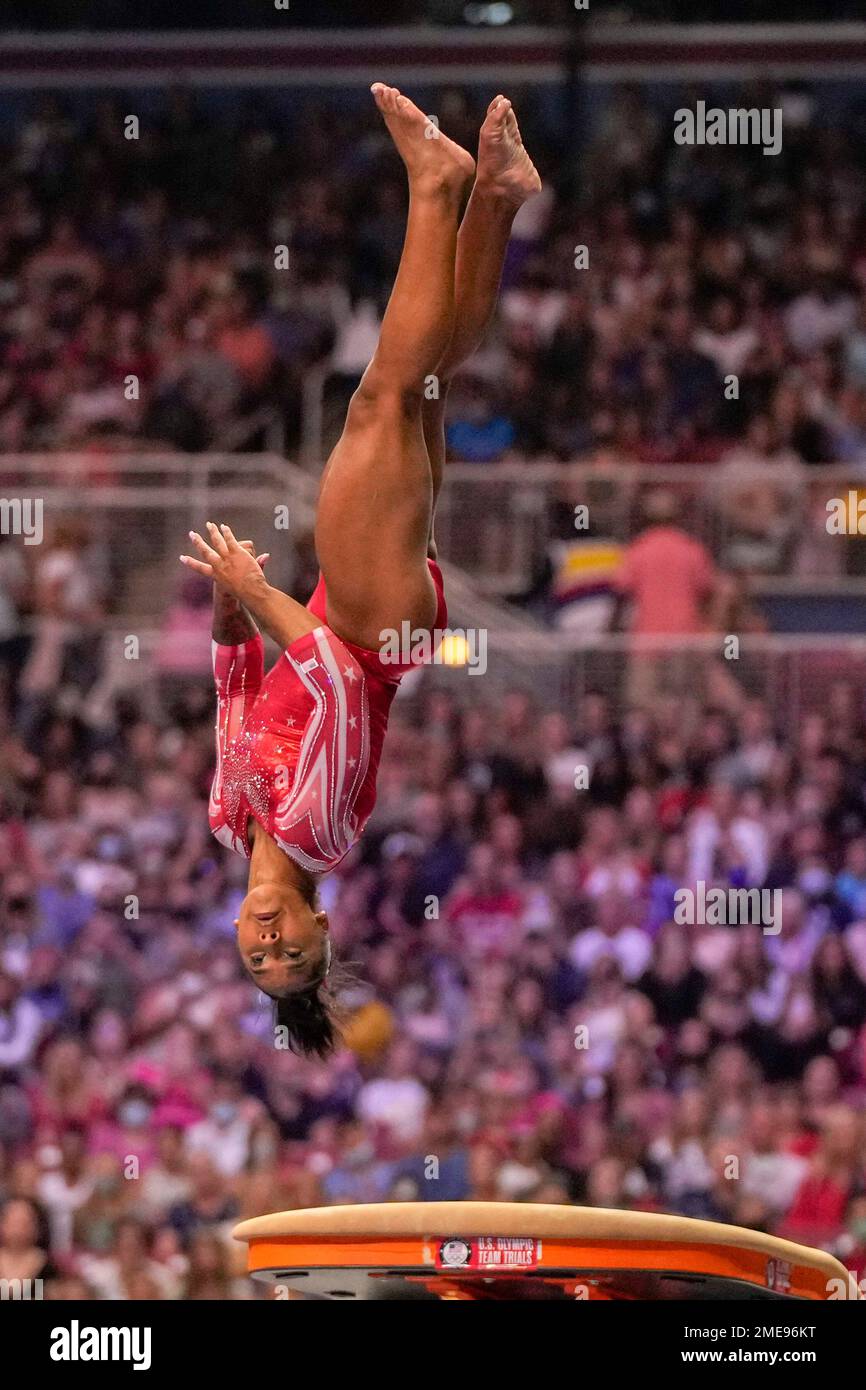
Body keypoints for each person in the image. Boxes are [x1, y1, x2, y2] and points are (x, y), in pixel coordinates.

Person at [179, 85, 541, 1057]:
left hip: (356, 607)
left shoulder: (231, 817)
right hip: (368, 627)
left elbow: (232, 683)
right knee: (378, 397)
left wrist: (227, 608)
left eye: (257, 959)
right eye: (290, 952)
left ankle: (497, 197)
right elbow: (333, 686)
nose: (267, 941)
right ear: (318, 927)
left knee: (421, 383)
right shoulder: (316, 833)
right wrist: (258, 594)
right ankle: (437, 182)